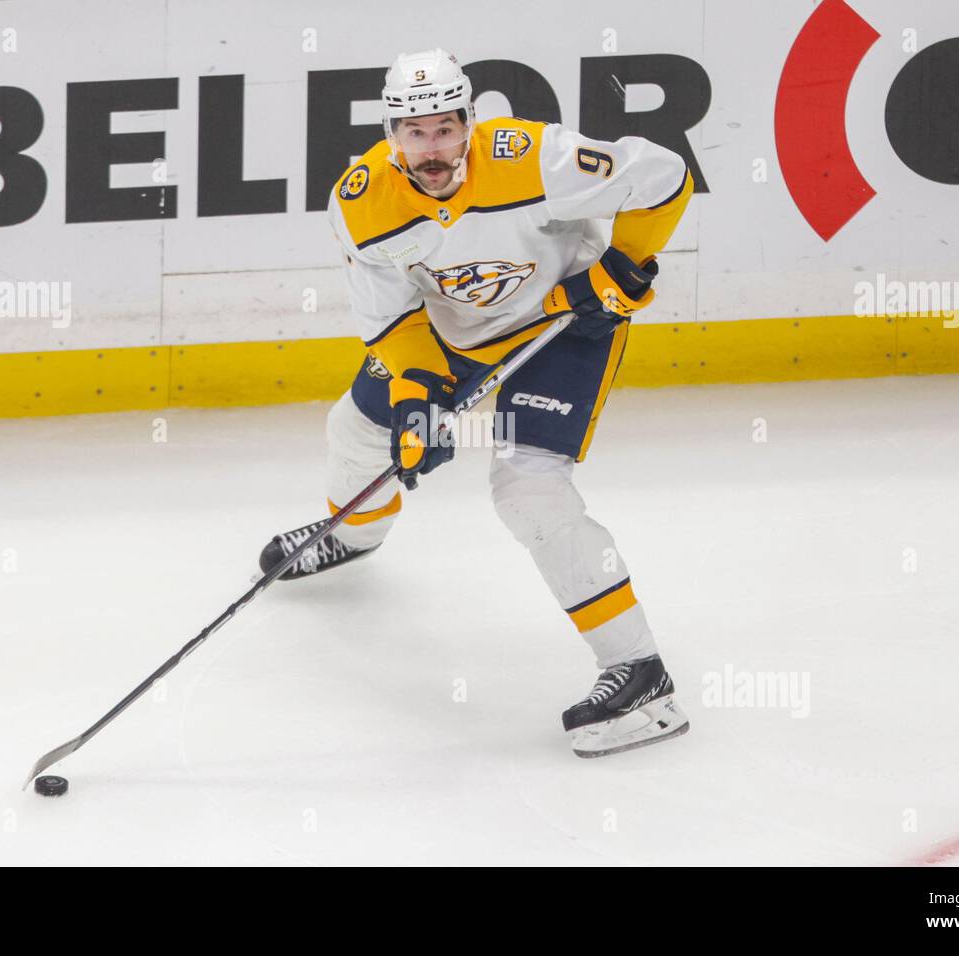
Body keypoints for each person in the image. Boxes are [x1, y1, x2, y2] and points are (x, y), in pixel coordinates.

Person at [259, 48, 695, 757]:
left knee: (528, 488)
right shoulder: (362, 201)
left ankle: (640, 673)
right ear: (390, 132)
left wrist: (625, 266)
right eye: (415, 132)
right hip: (450, 331)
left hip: (563, 323)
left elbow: (664, 175)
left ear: (469, 120)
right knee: (358, 428)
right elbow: (392, 322)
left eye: (445, 128)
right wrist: (416, 400)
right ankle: (358, 531)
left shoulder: (535, 158)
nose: (432, 149)